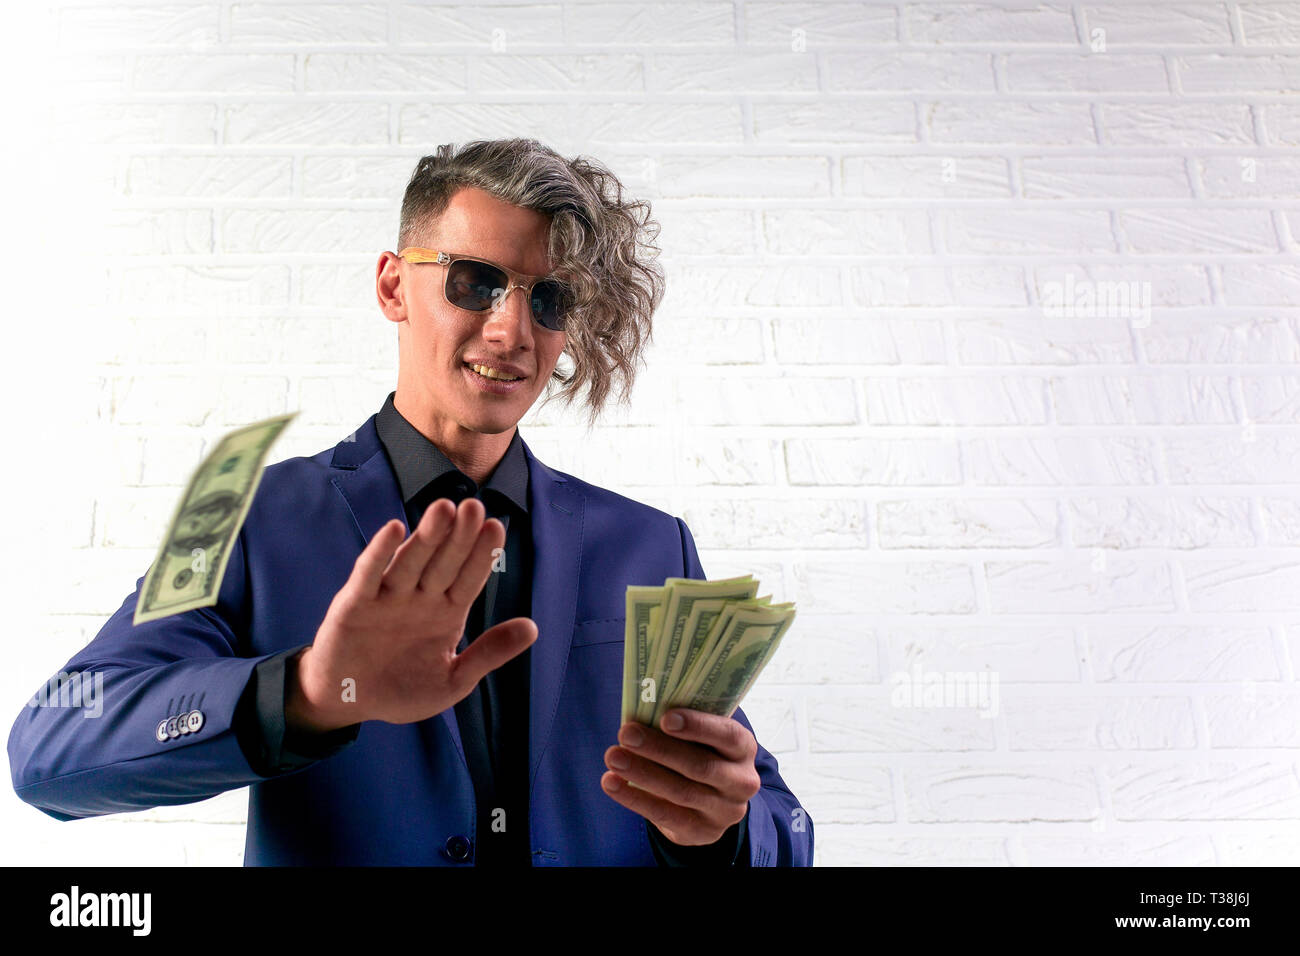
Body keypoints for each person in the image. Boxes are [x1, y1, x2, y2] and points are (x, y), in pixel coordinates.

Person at [8, 138, 813, 867]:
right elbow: (52, 748)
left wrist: (723, 831)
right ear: (395, 285)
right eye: (475, 282)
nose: (511, 331)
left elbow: (777, 821)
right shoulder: (245, 520)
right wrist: (307, 695)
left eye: (548, 301)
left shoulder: (650, 546)